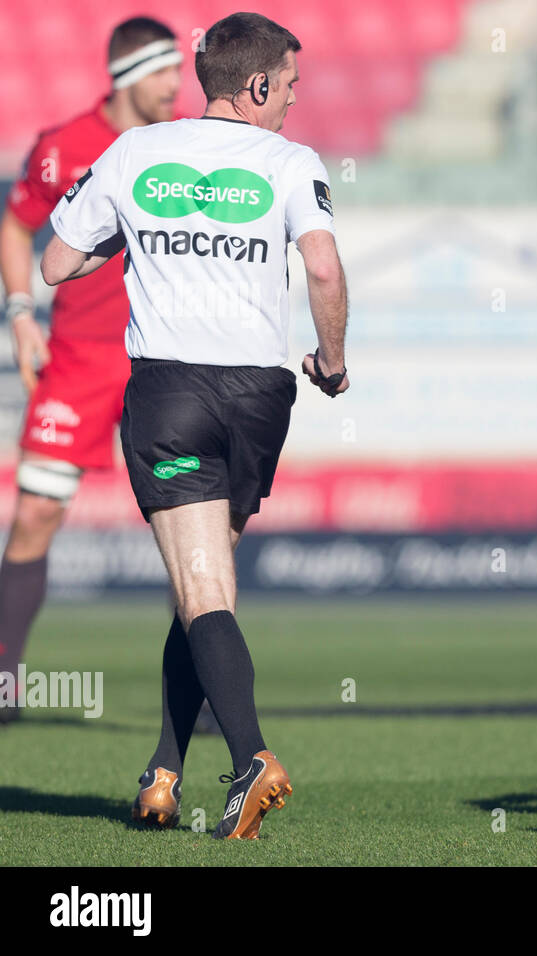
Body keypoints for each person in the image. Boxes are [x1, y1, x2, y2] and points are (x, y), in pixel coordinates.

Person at [40, 12, 348, 840]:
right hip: (259, 395)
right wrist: (334, 359)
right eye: (287, 86)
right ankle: (164, 774)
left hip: (171, 393)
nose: (291, 101)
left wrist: (130, 240)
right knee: (203, 594)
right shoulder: (291, 162)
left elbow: (55, 261)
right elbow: (321, 264)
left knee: (200, 591)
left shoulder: (136, 151)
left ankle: (251, 758)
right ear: (255, 86)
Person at [0, 17, 181, 723]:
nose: (177, 87)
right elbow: (17, 224)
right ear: (132, 74)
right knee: (37, 513)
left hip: (160, 360)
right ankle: (5, 679)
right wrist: (20, 313)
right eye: (166, 73)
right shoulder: (62, 148)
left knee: (184, 533)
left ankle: (194, 697)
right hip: (75, 359)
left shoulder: (183, 146)